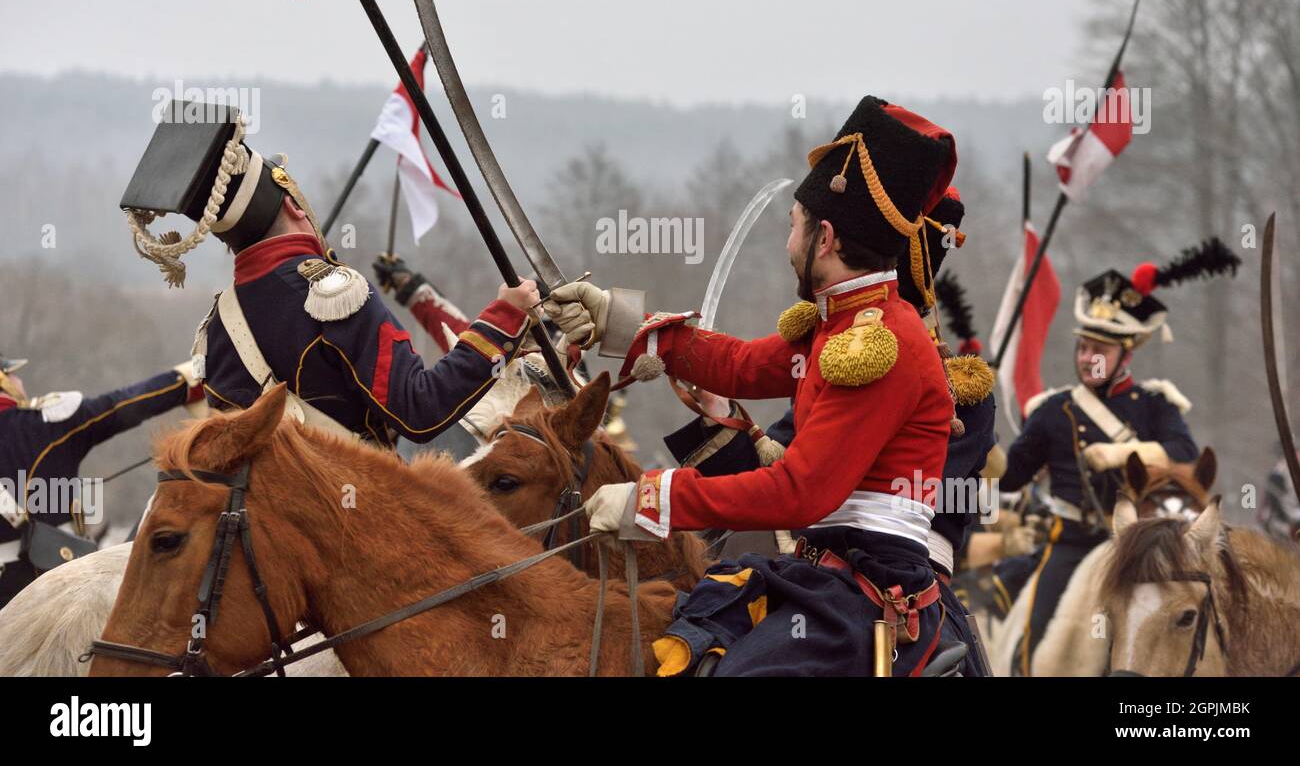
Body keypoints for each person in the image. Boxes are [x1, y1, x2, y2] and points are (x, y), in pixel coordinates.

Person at [545, 95, 960, 676]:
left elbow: (799, 493)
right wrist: (619, 324)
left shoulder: (881, 342)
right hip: (827, 574)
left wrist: (655, 498)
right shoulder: (840, 319)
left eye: (793, 228)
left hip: (868, 591)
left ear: (825, 238)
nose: (786, 243)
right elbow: (738, 364)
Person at [655, 187, 997, 675]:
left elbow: (801, 488)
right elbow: (764, 458)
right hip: (812, 566)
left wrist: (654, 499)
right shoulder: (837, 348)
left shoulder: (949, 385)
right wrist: (717, 415)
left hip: (894, 588)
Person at [118, 100, 537, 447]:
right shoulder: (336, 295)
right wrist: (506, 317)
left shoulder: (218, 327)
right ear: (293, 205)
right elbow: (419, 410)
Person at [998, 237, 1239, 675]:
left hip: (1142, 549)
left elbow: (1183, 456)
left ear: (1126, 354)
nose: (1088, 358)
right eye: (1083, 347)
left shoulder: (1154, 404)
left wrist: (1118, 453)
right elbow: (1010, 476)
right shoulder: (1054, 411)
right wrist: (975, 438)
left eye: (1101, 351)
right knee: (1035, 645)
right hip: (1070, 542)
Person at [0, 354, 202, 606]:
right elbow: (120, 406)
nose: (17, 379)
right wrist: (186, 381)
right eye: (10, 374)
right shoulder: (44, 426)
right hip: (51, 586)